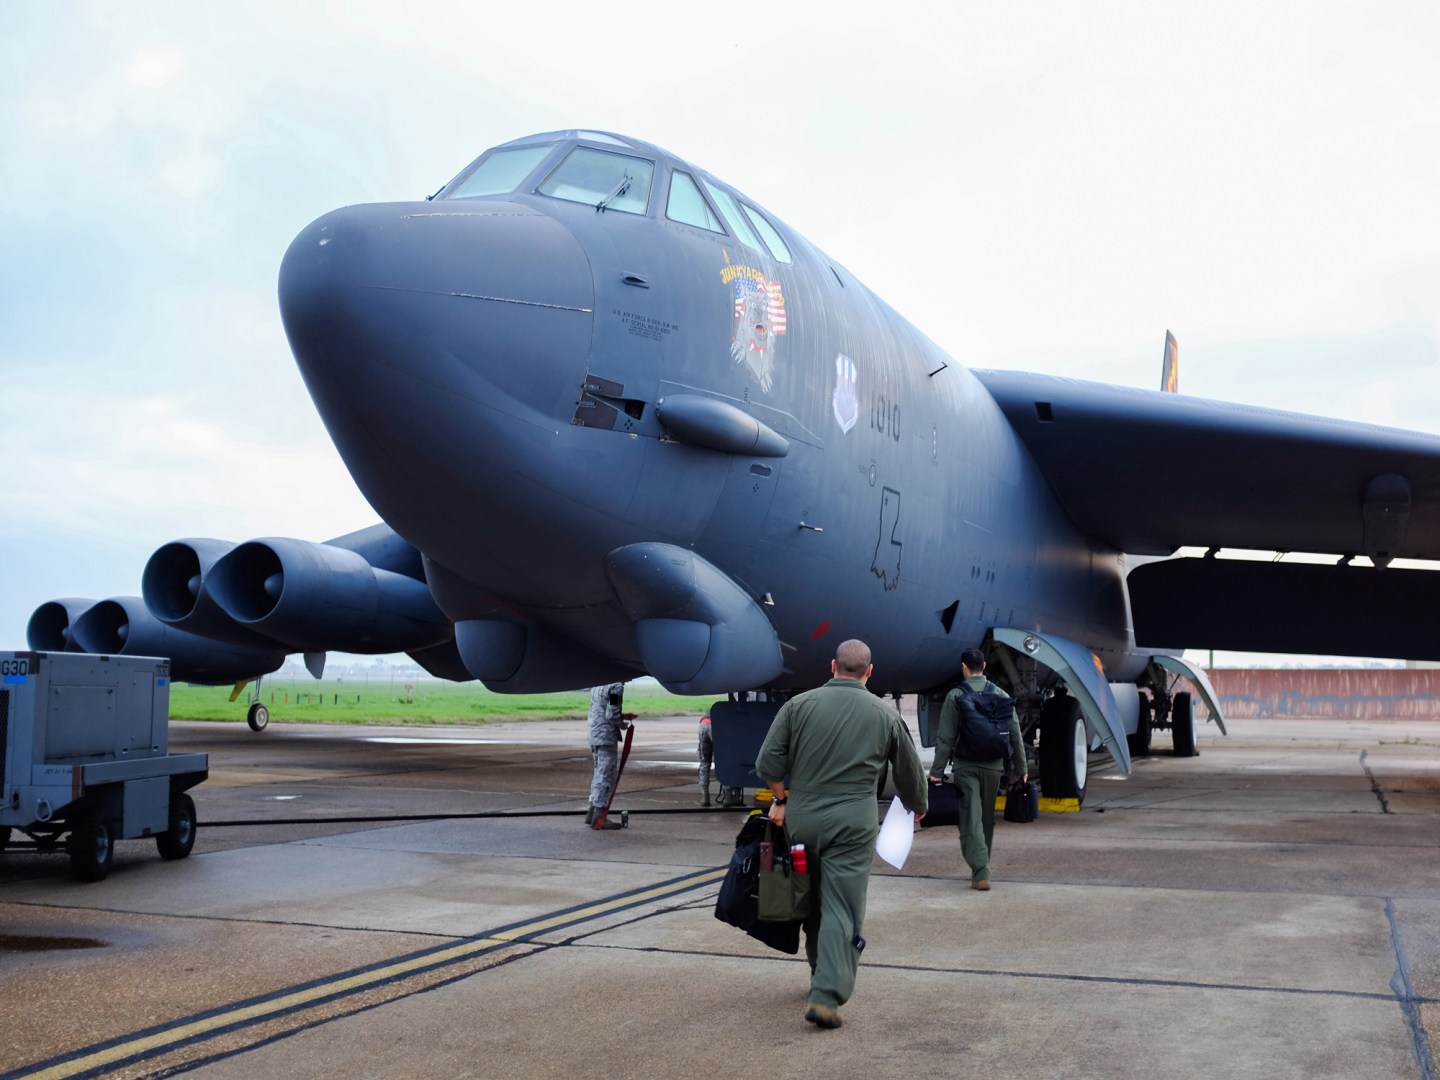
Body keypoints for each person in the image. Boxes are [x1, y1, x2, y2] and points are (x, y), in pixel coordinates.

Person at [756, 639, 929, 1030]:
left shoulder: (798, 706)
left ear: (833, 666)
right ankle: (826, 995)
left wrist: (781, 799)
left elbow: (768, 763)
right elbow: (908, 770)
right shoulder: (884, 714)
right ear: (870, 672)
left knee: (812, 898)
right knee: (842, 907)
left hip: (803, 818)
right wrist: (917, 803)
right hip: (853, 821)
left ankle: (820, 973)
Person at [928, 647, 1027, 890]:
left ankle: (981, 869)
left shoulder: (955, 696)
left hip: (966, 765)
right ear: (983, 666)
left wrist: (937, 771)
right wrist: (1021, 767)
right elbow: (1014, 733)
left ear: (963, 667)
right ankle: (982, 866)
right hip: (994, 767)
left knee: (969, 817)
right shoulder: (1001, 694)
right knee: (985, 819)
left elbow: (945, 738)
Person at [586, 682, 634, 827]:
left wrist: (622, 716)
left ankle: (591, 813)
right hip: (605, 736)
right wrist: (622, 724)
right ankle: (598, 817)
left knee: (598, 773)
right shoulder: (615, 687)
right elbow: (612, 714)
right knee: (605, 775)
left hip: (594, 733)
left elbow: (602, 709)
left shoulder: (598, 684)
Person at [698, 712, 743, 808]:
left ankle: (705, 798)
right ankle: (728, 798)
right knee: (724, 761)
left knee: (705, 763)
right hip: (716, 725)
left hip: (703, 724)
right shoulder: (735, 710)